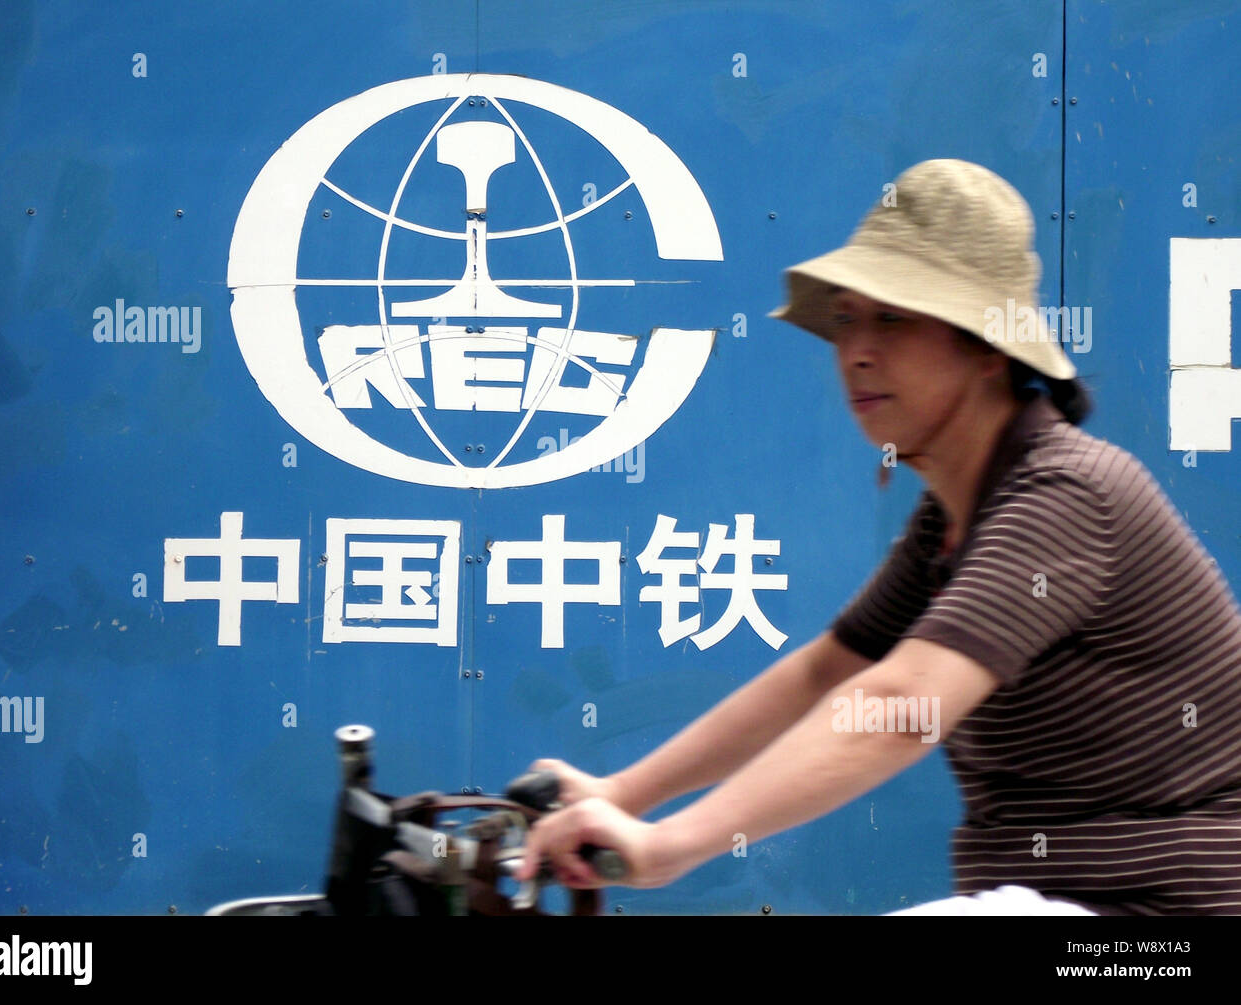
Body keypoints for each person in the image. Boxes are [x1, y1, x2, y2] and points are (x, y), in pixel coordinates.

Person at [515, 158, 1241, 915]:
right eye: (846, 318)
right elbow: (825, 675)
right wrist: (620, 793)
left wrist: (672, 845)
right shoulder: (955, 516)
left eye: (893, 317)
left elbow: (901, 704)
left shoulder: (1068, 495)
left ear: (987, 346)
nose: (855, 348)